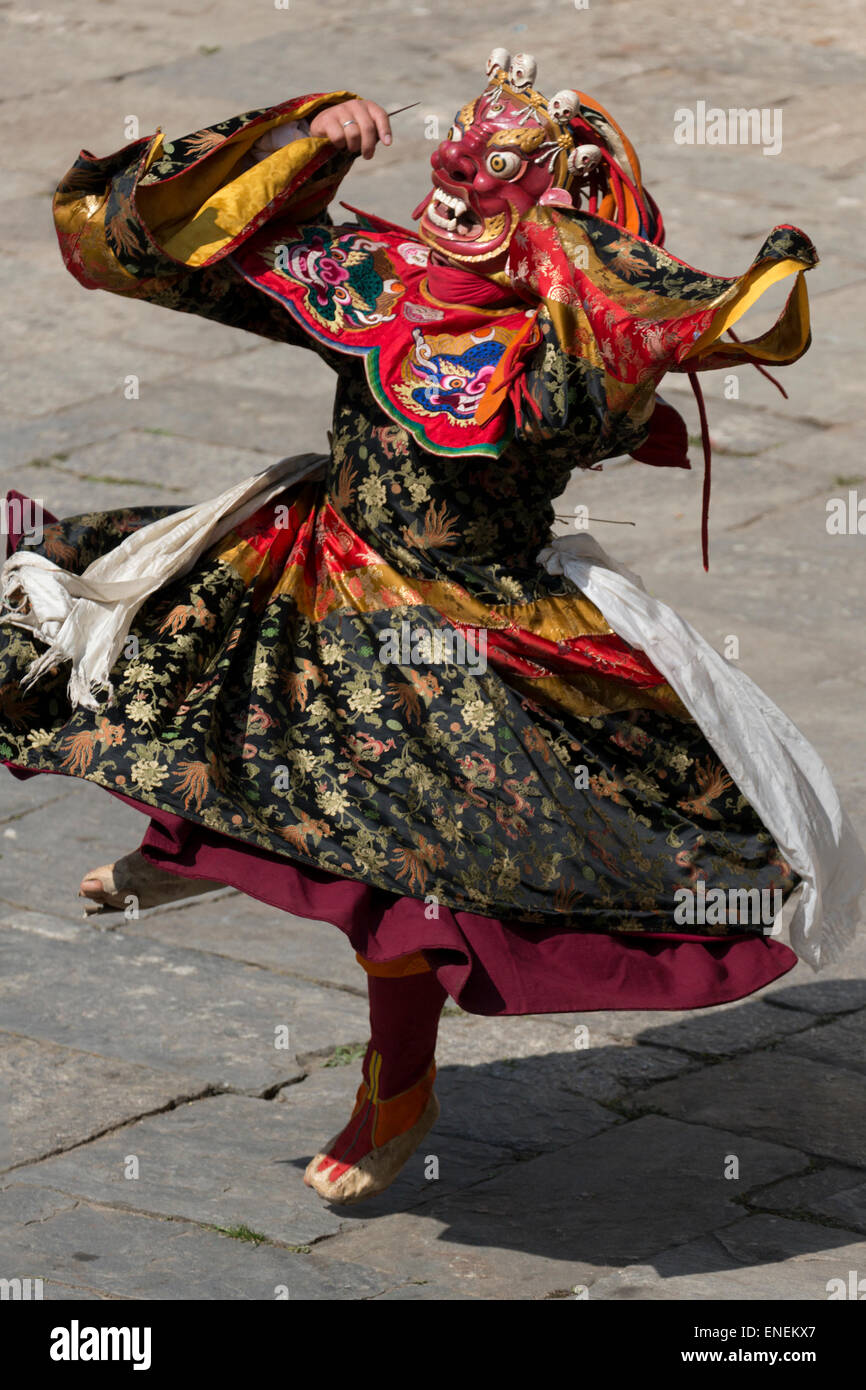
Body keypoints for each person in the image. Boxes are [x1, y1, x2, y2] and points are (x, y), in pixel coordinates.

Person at [2, 50, 863, 1205]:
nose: (451, 185)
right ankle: (189, 850)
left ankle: (393, 1088)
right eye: (451, 159)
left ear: (556, 219)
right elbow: (166, 243)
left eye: (494, 175)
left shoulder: (557, 358)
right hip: (324, 559)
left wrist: (713, 305)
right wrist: (303, 143)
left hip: (470, 628)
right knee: (163, 653)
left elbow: (629, 331)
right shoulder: (382, 282)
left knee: (410, 885)